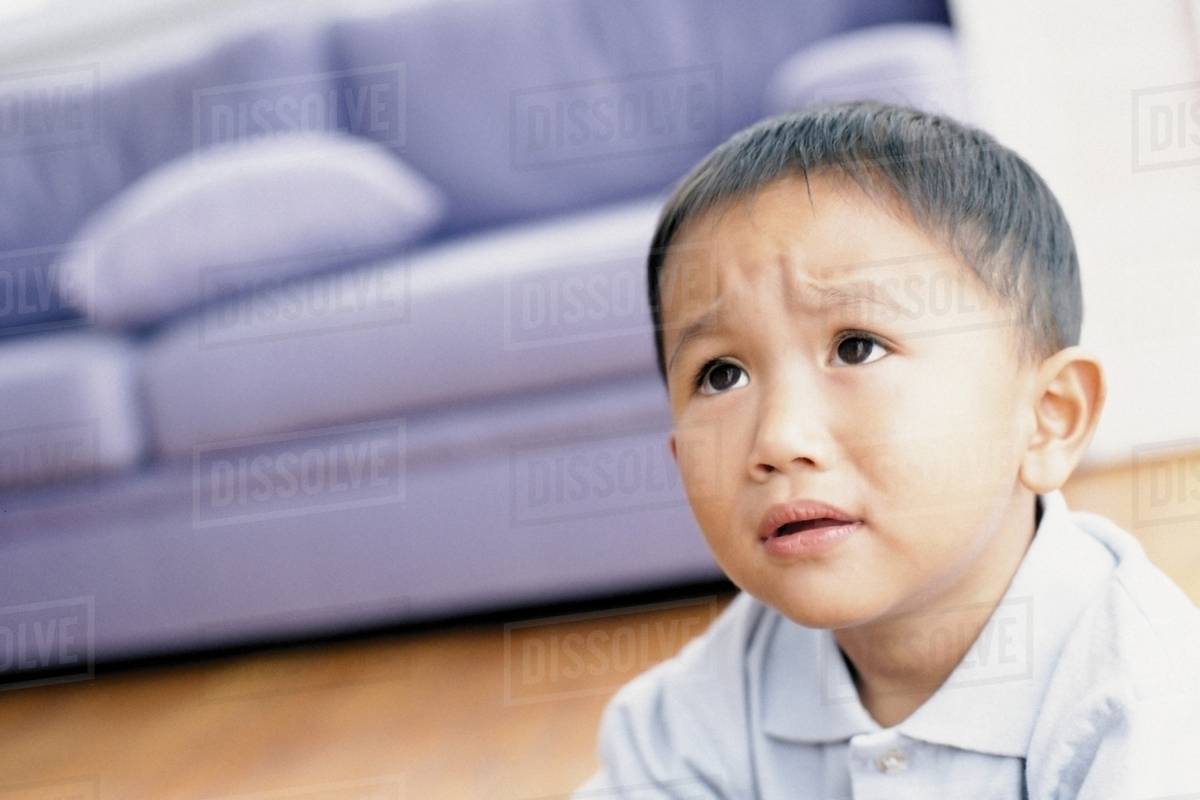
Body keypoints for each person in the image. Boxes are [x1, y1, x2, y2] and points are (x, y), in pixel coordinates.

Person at [573, 102, 1200, 799]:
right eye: (722, 375)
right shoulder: (716, 698)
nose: (778, 440)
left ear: (1048, 418)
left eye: (856, 347)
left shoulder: (1146, 703)